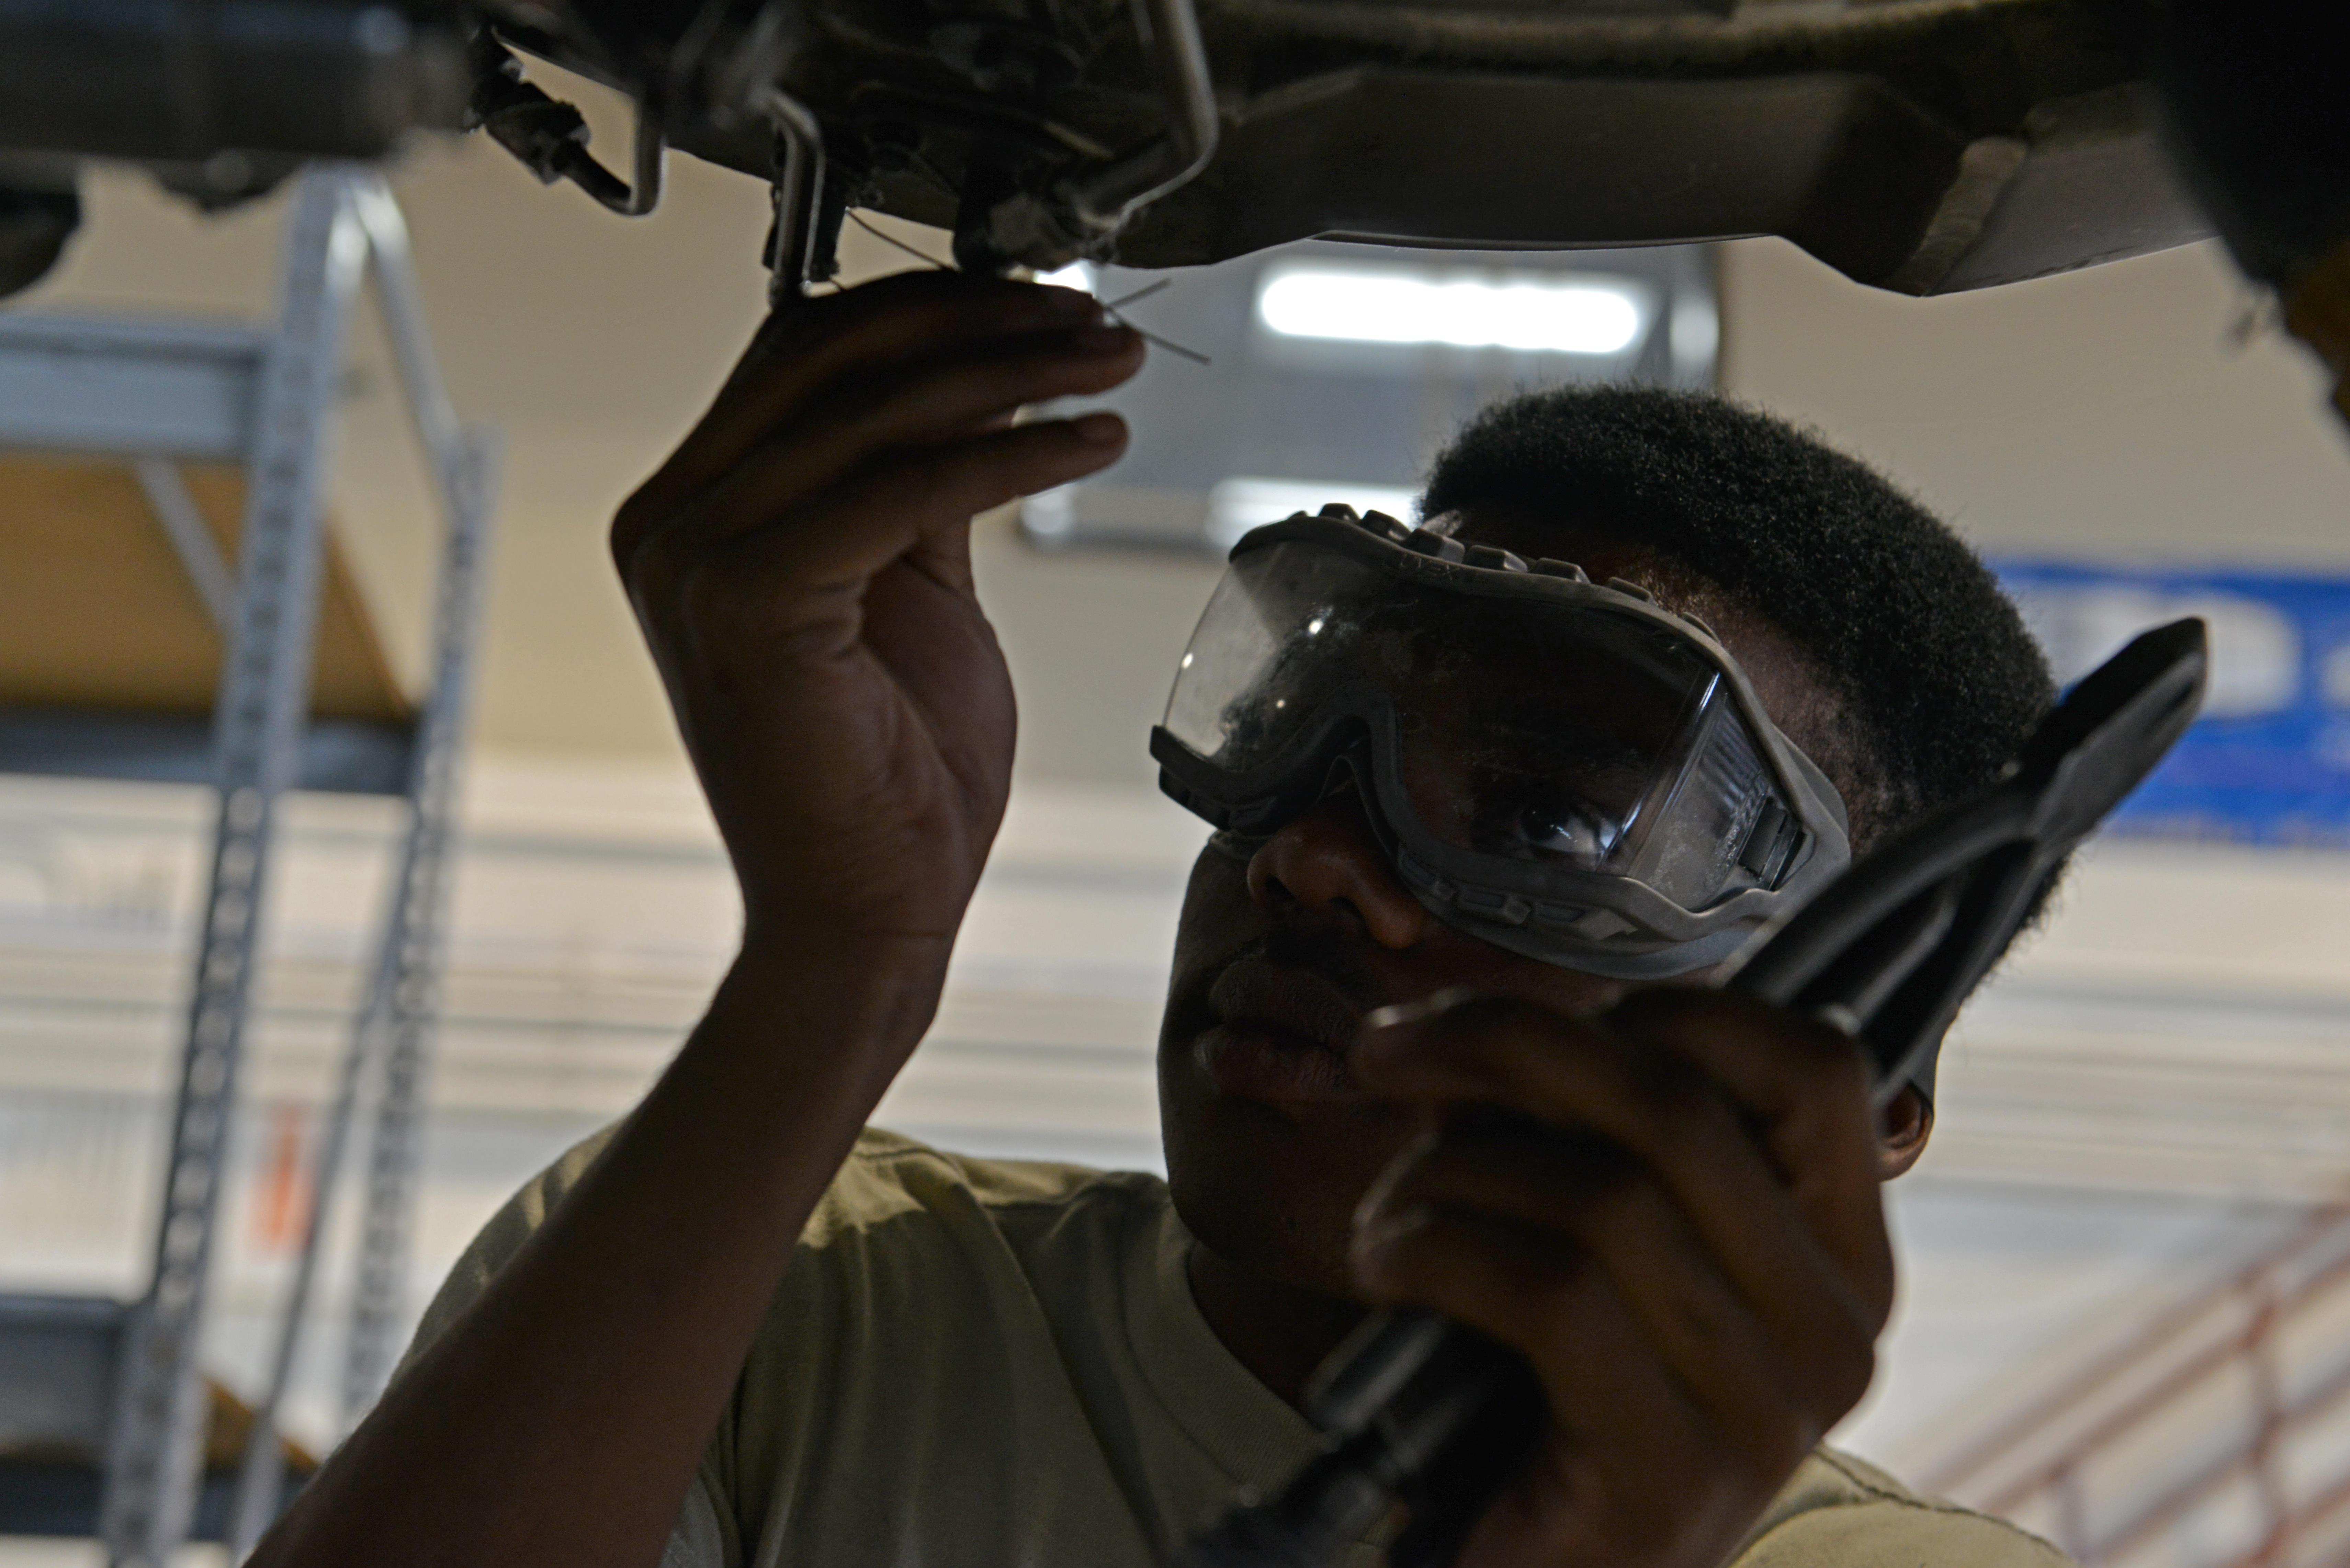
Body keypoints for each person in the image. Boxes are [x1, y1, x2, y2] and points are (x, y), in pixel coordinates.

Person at [249, 270, 2068, 1568]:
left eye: (1542, 814)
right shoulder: (795, 1302)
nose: (1314, 861)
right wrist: (836, 963)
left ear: (1859, 1096)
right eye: (1312, 723)